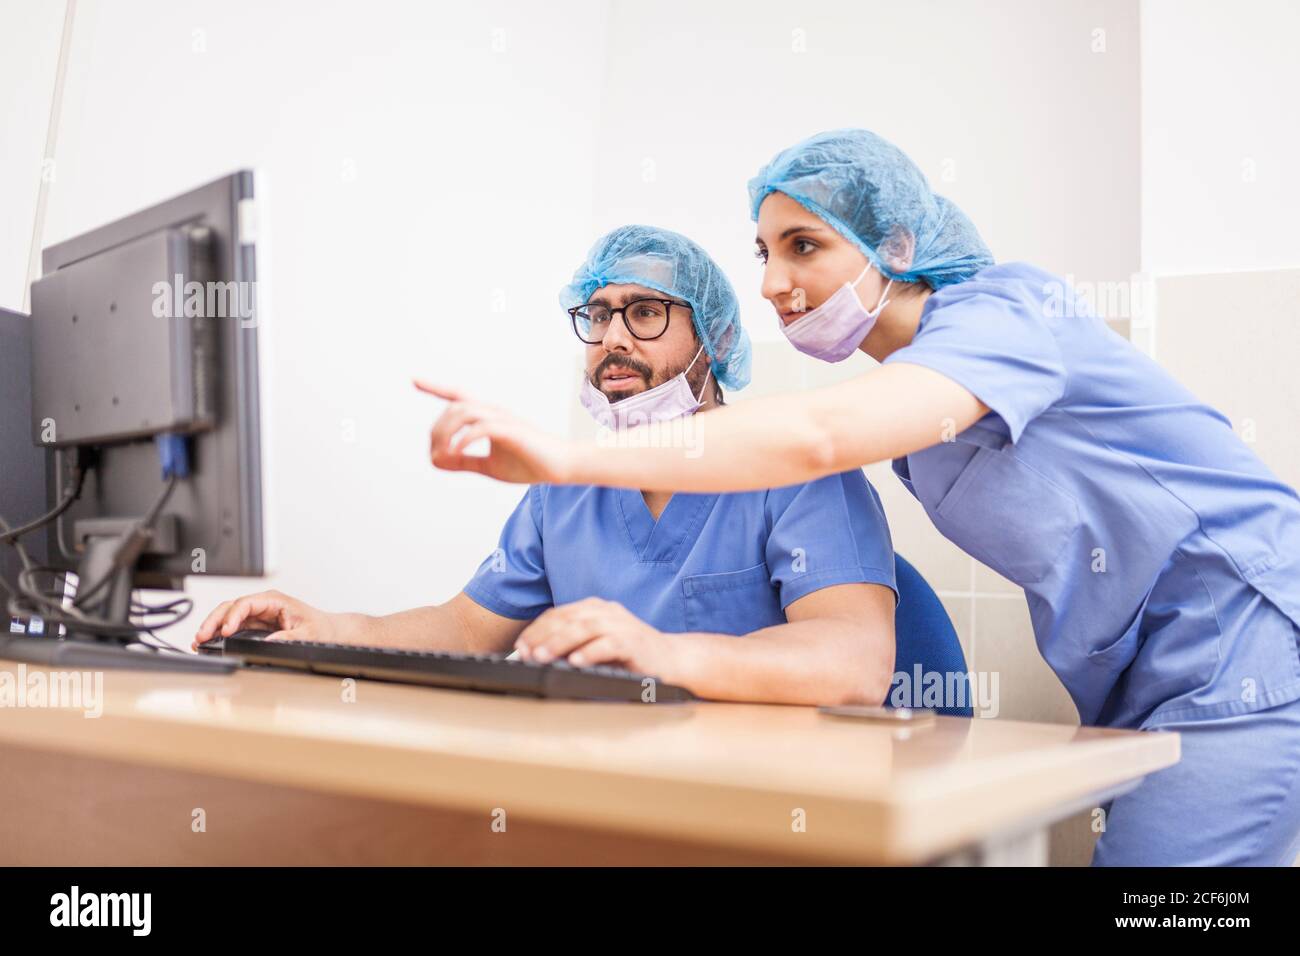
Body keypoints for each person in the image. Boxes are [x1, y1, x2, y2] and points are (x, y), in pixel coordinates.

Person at [420, 131, 1300, 866]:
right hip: (1145, 686)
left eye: (804, 246)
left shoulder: (1010, 311)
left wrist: (562, 459)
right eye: (764, 253)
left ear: (900, 247)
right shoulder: (918, 420)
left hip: (1247, 650)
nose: (771, 283)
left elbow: (817, 438)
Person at [197, 224, 899, 706]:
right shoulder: (566, 491)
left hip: (764, 803)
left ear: (711, 339)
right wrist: (328, 627)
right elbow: (469, 630)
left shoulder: (796, 466)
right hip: (605, 785)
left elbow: (855, 663)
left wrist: (661, 653)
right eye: (597, 316)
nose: (613, 338)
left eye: (645, 313)